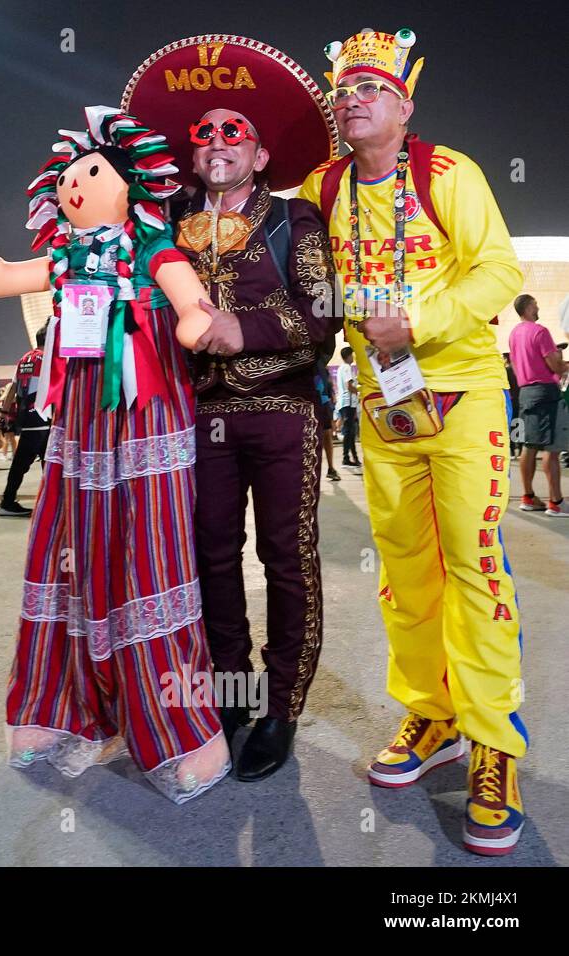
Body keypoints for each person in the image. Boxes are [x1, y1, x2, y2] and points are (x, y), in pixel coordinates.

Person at [299, 27, 527, 855]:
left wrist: (421, 319)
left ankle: (494, 741)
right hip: (383, 406)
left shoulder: (447, 173)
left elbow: (500, 270)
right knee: (404, 570)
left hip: (463, 396)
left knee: (473, 562)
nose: (352, 98)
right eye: (343, 89)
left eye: (371, 88)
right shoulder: (322, 184)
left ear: (405, 106)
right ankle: (432, 716)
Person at [0, 105, 227, 803]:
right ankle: (56, 710)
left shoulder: (153, 249)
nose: (76, 186)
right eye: (69, 177)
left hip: (145, 418)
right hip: (81, 425)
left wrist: (198, 319)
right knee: (73, 547)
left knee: (151, 552)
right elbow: (4, 276)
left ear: (132, 182)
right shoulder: (66, 258)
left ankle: (181, 731)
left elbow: (189, 301)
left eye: (91, 172)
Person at [127, 34, 340, 780]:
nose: (216, 141)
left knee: (287, 558)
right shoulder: (163, 225)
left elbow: (320, 314)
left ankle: (281, 708)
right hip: (199, 421)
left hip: (283, 416)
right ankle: (232, 694)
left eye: (233, 132)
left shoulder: (297, 220)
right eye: (204, 133)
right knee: (209, 557)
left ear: (258, 156)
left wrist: (234, 329)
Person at [509, 295, 568, 514]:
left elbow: (516, 364)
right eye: (535, 304)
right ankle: (556, 502)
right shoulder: (540, 331)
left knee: (528, 445)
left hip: (526, 393)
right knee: (551, 448)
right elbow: (554, 365)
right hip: (545, 392)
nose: (538, 307)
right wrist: (562, 363)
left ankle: (528, 497)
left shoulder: (514, 333)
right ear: (527, 307)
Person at [0, 326, 49, 517]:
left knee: (44, 460)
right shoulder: (48, 360)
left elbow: (12, 388)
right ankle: (8, 501)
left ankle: (48, 502)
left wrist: (4, 411)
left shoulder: (24, 359)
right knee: (25, 462)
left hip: (27, 416)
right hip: (42, 416)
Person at [334, 346, 361, 467]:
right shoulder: (346, 368)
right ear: (349, 355)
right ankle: (347, 458)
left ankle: (353, 458)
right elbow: (349, 386)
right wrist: (360, 392)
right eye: (353, 354)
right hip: (348, 403)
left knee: (350, 431)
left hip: (348, 403)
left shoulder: (343, 368)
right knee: (349, 431)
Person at [315, 366, 340, 480]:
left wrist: (332, 395)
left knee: (327, 434)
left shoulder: (322, 366)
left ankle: (330, 468)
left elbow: (328, 383)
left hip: (323, 402)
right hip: (308, 401)